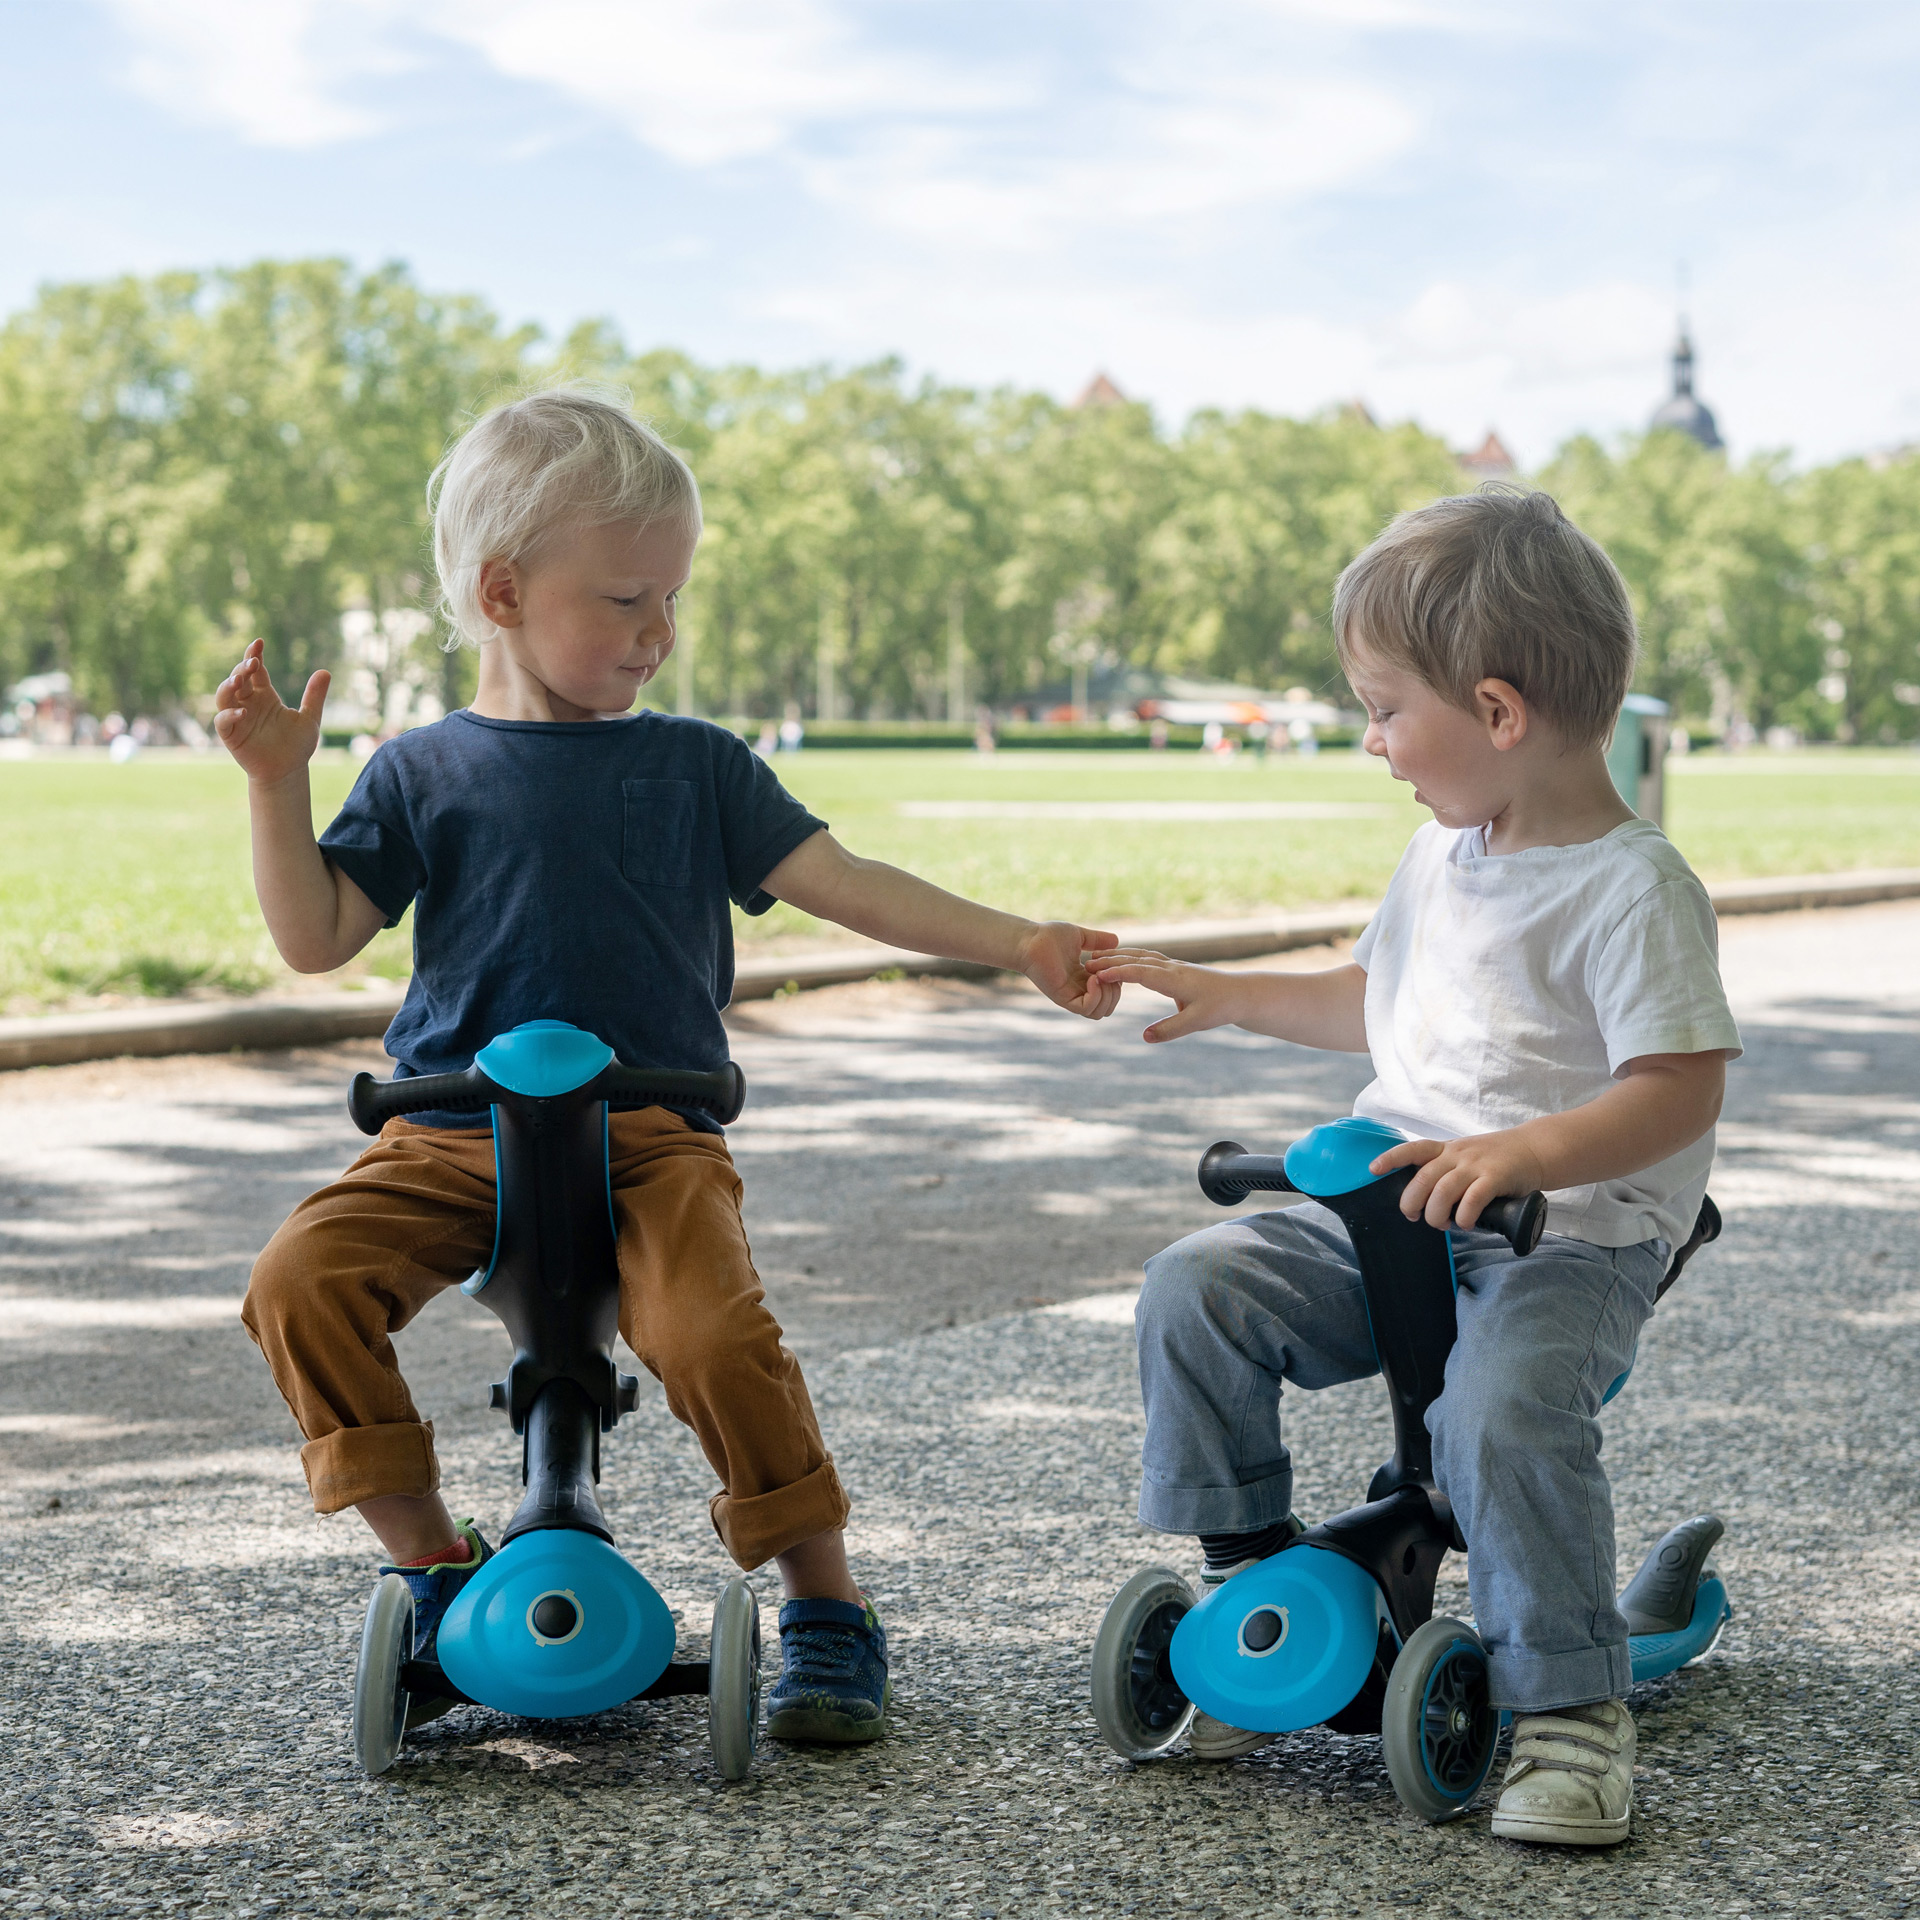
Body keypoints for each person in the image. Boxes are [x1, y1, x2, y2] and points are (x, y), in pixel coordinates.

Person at [217, 387, 1120, 1748]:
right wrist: (273, 786)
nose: (663, 633)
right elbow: (314, 937)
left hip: (650, 1134)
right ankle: (434, 1567)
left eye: (673, 599)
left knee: (708, 1334)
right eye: (631, 598)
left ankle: (825, 1599)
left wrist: (1023, 941)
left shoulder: (699, 768)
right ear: (505, 592)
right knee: (297, 1284)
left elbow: (850, 884)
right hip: (451, 1130)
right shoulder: (421, 772)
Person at [1085, 487, 1739, 1847]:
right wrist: (1229, 992)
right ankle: (1254, 1590)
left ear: (1499, 713)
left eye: (1385, 710)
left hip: (1569, 1237)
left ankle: (1569, 1712)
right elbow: (1372, 999)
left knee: (1493, 1421)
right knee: (1194, 1288)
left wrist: (1523, 1151)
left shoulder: (1633, 888)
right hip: (1393, 1207)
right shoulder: (1444, 853)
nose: (1374, 745)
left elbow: (1679, 1085)